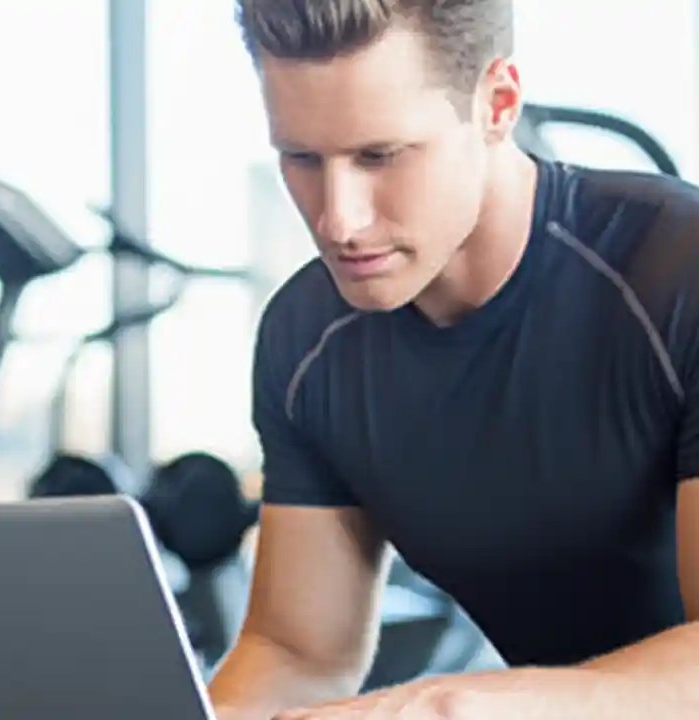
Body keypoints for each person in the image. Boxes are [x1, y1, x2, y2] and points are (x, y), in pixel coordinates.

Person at [207, 1, 699, 718]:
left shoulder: (676, 272)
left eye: (379, 155)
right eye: (302, 158)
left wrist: (452, 707)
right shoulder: (306, 336)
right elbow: (296, 653)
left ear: (498, 103)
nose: (337, 218)